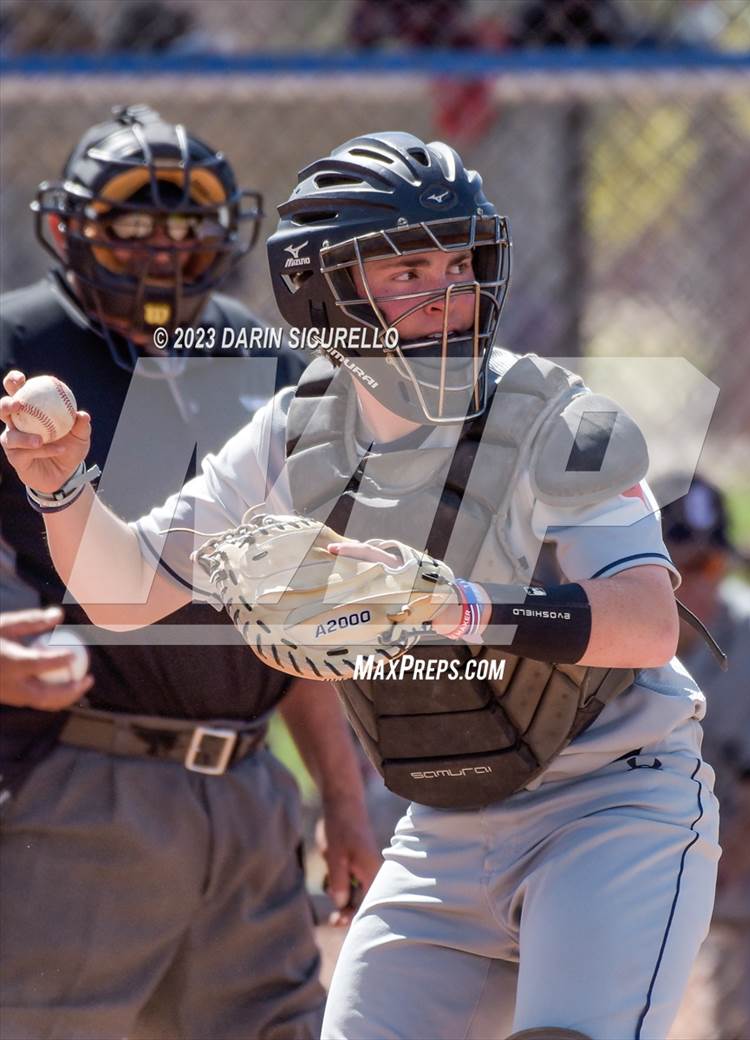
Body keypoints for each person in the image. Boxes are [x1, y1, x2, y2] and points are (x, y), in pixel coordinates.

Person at [1, 131, 719, 1040]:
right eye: (409, 269)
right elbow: (126, 589)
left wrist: (450, 605)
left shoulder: (562, 418)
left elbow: (646, 622)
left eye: (461, 261)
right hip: (449, 819)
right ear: (322, 285)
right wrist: (61, 483)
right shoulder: (292, 432)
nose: (449, 291)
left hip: (611, 800)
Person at [0, 105, 378, 1040]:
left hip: (249, 791)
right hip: (83, 775)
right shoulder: (16, 351)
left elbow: (298, 611)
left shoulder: (275, 366)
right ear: (69, 228)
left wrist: (342, 797)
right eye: (135, 224)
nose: (165, 251)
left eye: (189, 227)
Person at [662, 476, 750, 1040]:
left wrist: (704, 884)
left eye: (713, 567)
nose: (701, 586)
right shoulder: (593, 629)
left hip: (741, 849)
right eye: (684, 567)